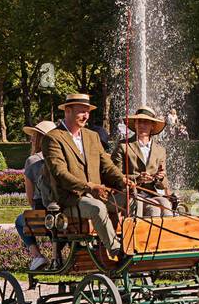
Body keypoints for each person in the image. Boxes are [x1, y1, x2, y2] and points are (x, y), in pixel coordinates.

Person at [43, 93, 129, 258]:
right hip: (71, 199)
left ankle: (133, 243)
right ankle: (116, 251)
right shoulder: (53, 138)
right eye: (81, 111)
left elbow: (107, 165)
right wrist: (88, 186)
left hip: (97, 194)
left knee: (130, 199)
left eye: (88, 112)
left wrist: (123, 180)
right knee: (97, 208)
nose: (86, 116)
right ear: (68, 111)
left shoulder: (92, 136)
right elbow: (59, 173)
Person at [111, 106, 174, 216]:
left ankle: (165, 233)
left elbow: (163, 183)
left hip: (152, 194)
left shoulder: (160, 151)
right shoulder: (123, 146)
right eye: (139, 122)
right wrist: (137, 178)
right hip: (131, 194)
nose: (142, 125)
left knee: (166, 206)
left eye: (146, 122)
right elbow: (114, 176)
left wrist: (161, 177)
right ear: (134, 124)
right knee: (153, 210)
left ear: (152, 126)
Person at [15, 120, 58, 271]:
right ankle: (56, 257)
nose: (32, 139)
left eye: (34, 135)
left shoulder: (32, 160)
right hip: (70, 215)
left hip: (45, 217)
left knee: (20, 221)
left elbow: (30, 197)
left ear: (41, 138)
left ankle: (37, 256)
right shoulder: (64, 157)